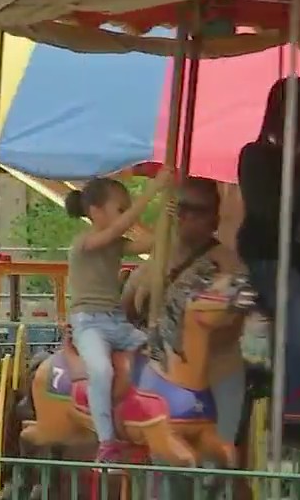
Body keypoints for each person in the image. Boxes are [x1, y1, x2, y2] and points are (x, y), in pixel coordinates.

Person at [123, 178, 248, 444]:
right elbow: (127, 308)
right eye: (180, 208)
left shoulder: (227, 263)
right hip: (157, 374)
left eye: (197, 210)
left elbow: (231, 321)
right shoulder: (158, 258)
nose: (186, 216)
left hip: (215, 373)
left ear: (214, 218)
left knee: (215, 462)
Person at [65, 169, 171, 462]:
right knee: (101, 371)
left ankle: (150, 413)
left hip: (116, 321)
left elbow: (151, 243)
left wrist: (166, 208)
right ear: (95, 212)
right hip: (90, 323)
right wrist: (152, 192)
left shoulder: (114, 242)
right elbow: (114, 231)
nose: (125, 215)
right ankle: (106, 440)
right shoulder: (85, 243)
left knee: (161, 349)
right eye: (119, 208)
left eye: (125, 209)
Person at [236, 76, 300, 444]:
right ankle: (292, 415)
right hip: (268, 255)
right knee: (295, 307)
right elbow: (268, 211)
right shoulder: (256, 157)